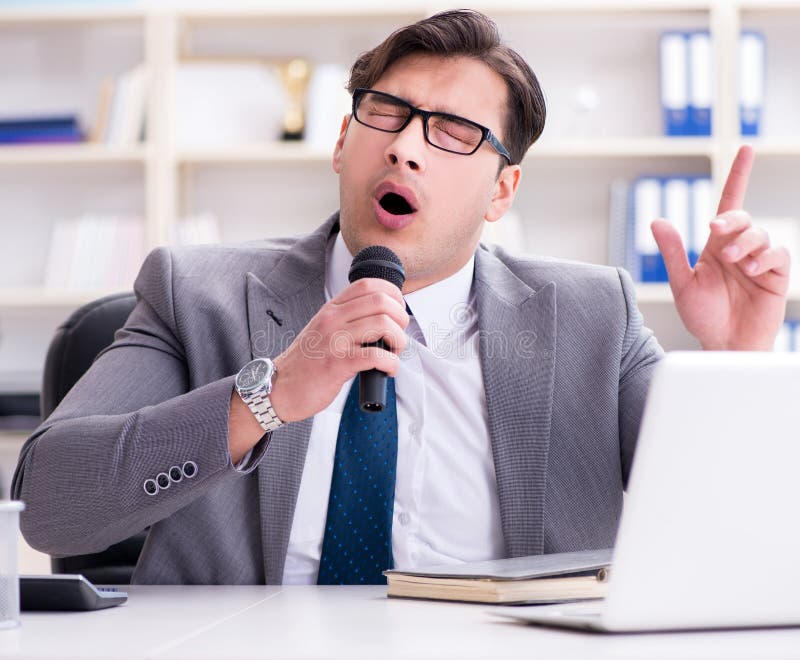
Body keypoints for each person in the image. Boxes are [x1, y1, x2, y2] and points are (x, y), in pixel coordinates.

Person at [12, 10, 789, 585]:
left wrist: (739, 364)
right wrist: (272, 392)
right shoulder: (196, 293)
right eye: (386, 113)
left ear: (502, 191)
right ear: (344, 145)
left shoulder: (595, 316)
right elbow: (49, 505)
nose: (405, 145)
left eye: (453, 132)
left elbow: (748, 532)